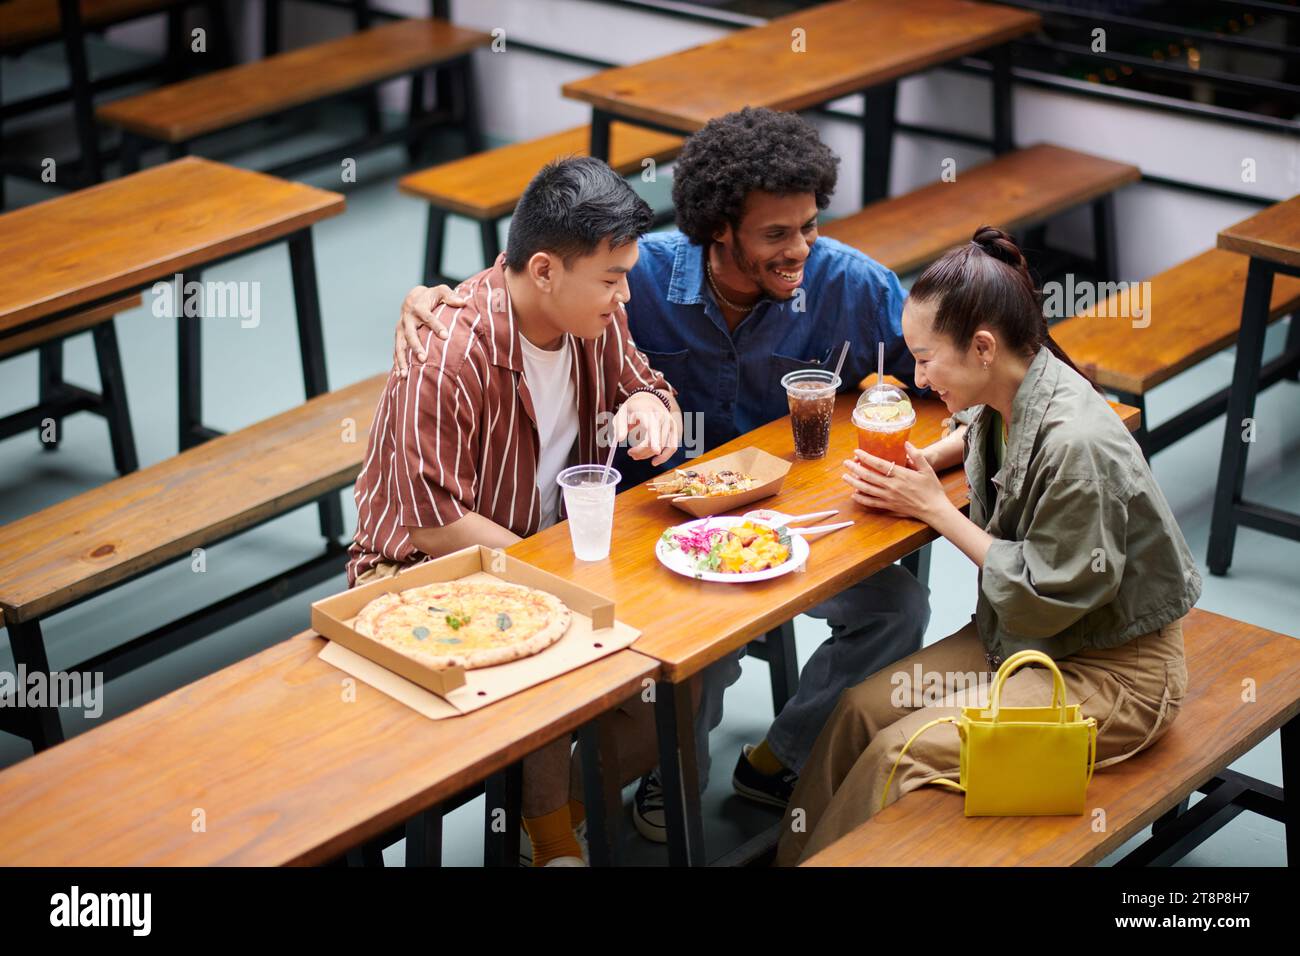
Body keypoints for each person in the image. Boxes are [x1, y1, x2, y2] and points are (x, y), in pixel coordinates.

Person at [393, 107, 930, 843]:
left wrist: (650, 401)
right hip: (641, 535)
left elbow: (943, 363)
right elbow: (513, 293)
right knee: (683, 670)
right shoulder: (619, 284)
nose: (800, 248)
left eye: (809, 226)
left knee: (897, 607)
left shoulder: (840, 284)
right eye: (777, 233)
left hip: (761, 524)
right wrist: (421, 301)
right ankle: (622, 801)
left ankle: (775, 760)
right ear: (720, 230)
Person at [774, 226, 1201, 865]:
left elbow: (1046, 597)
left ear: (981, 347)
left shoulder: (1078, 445)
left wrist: (936, 509)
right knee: (859, 710)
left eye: (924, 358)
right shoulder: (1020, 380)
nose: (916, 376)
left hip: (1113, 672)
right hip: (1027, 641)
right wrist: (928, 455)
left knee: (899, 752)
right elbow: (977, 423)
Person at [348, 156, 683, 866]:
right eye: (613, 279)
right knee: (554, 654)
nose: (623, 297)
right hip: (414, 574)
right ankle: (551, 827)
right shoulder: (448, 353)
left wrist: (653, 410)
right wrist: (554, 575)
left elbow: (645, 384)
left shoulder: (592, 318)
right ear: (543, 270)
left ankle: (563, 800)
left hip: (540, 549)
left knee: (690, 650)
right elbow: (432, 524)